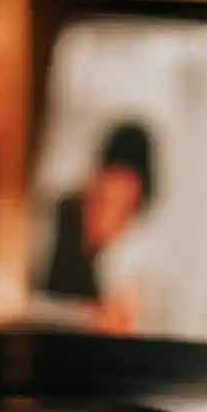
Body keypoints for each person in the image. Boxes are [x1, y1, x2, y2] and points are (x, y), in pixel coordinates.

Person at [44, 122, 155, 332]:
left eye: (123, 210)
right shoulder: (61, 222)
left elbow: (121, 324)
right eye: (100, 201)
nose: (105, 217)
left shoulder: (128, 258)